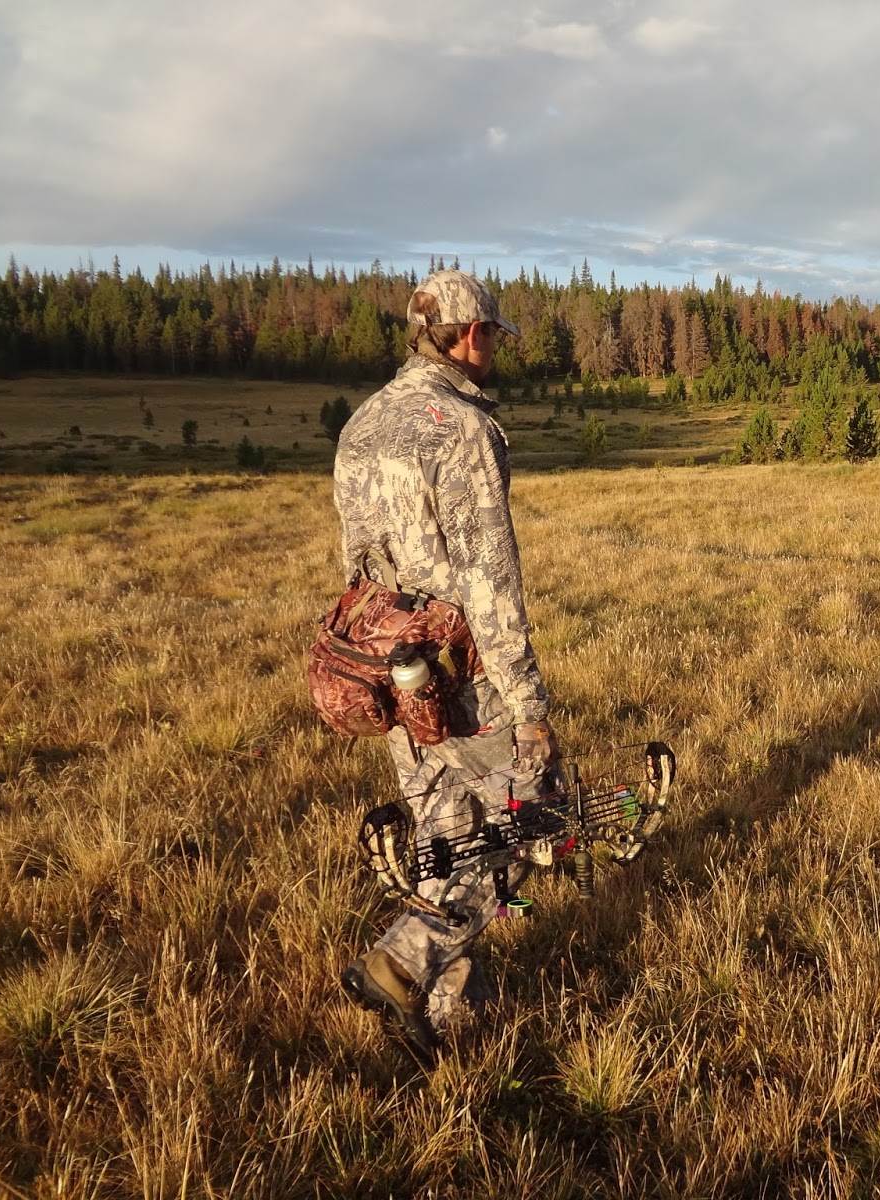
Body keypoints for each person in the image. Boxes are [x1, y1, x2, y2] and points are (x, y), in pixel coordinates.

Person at [332, 269, 555, 1061]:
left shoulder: (362, 424)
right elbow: (492, 580)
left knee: (445, 832)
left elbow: (357, 570)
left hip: (393, 672)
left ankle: (449, 1018)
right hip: (462, 676)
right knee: (534, 820)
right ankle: (402, 961)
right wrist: (526, 704)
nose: (494, 346)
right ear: (467, 336)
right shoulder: (462, 429)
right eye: (491, 333)